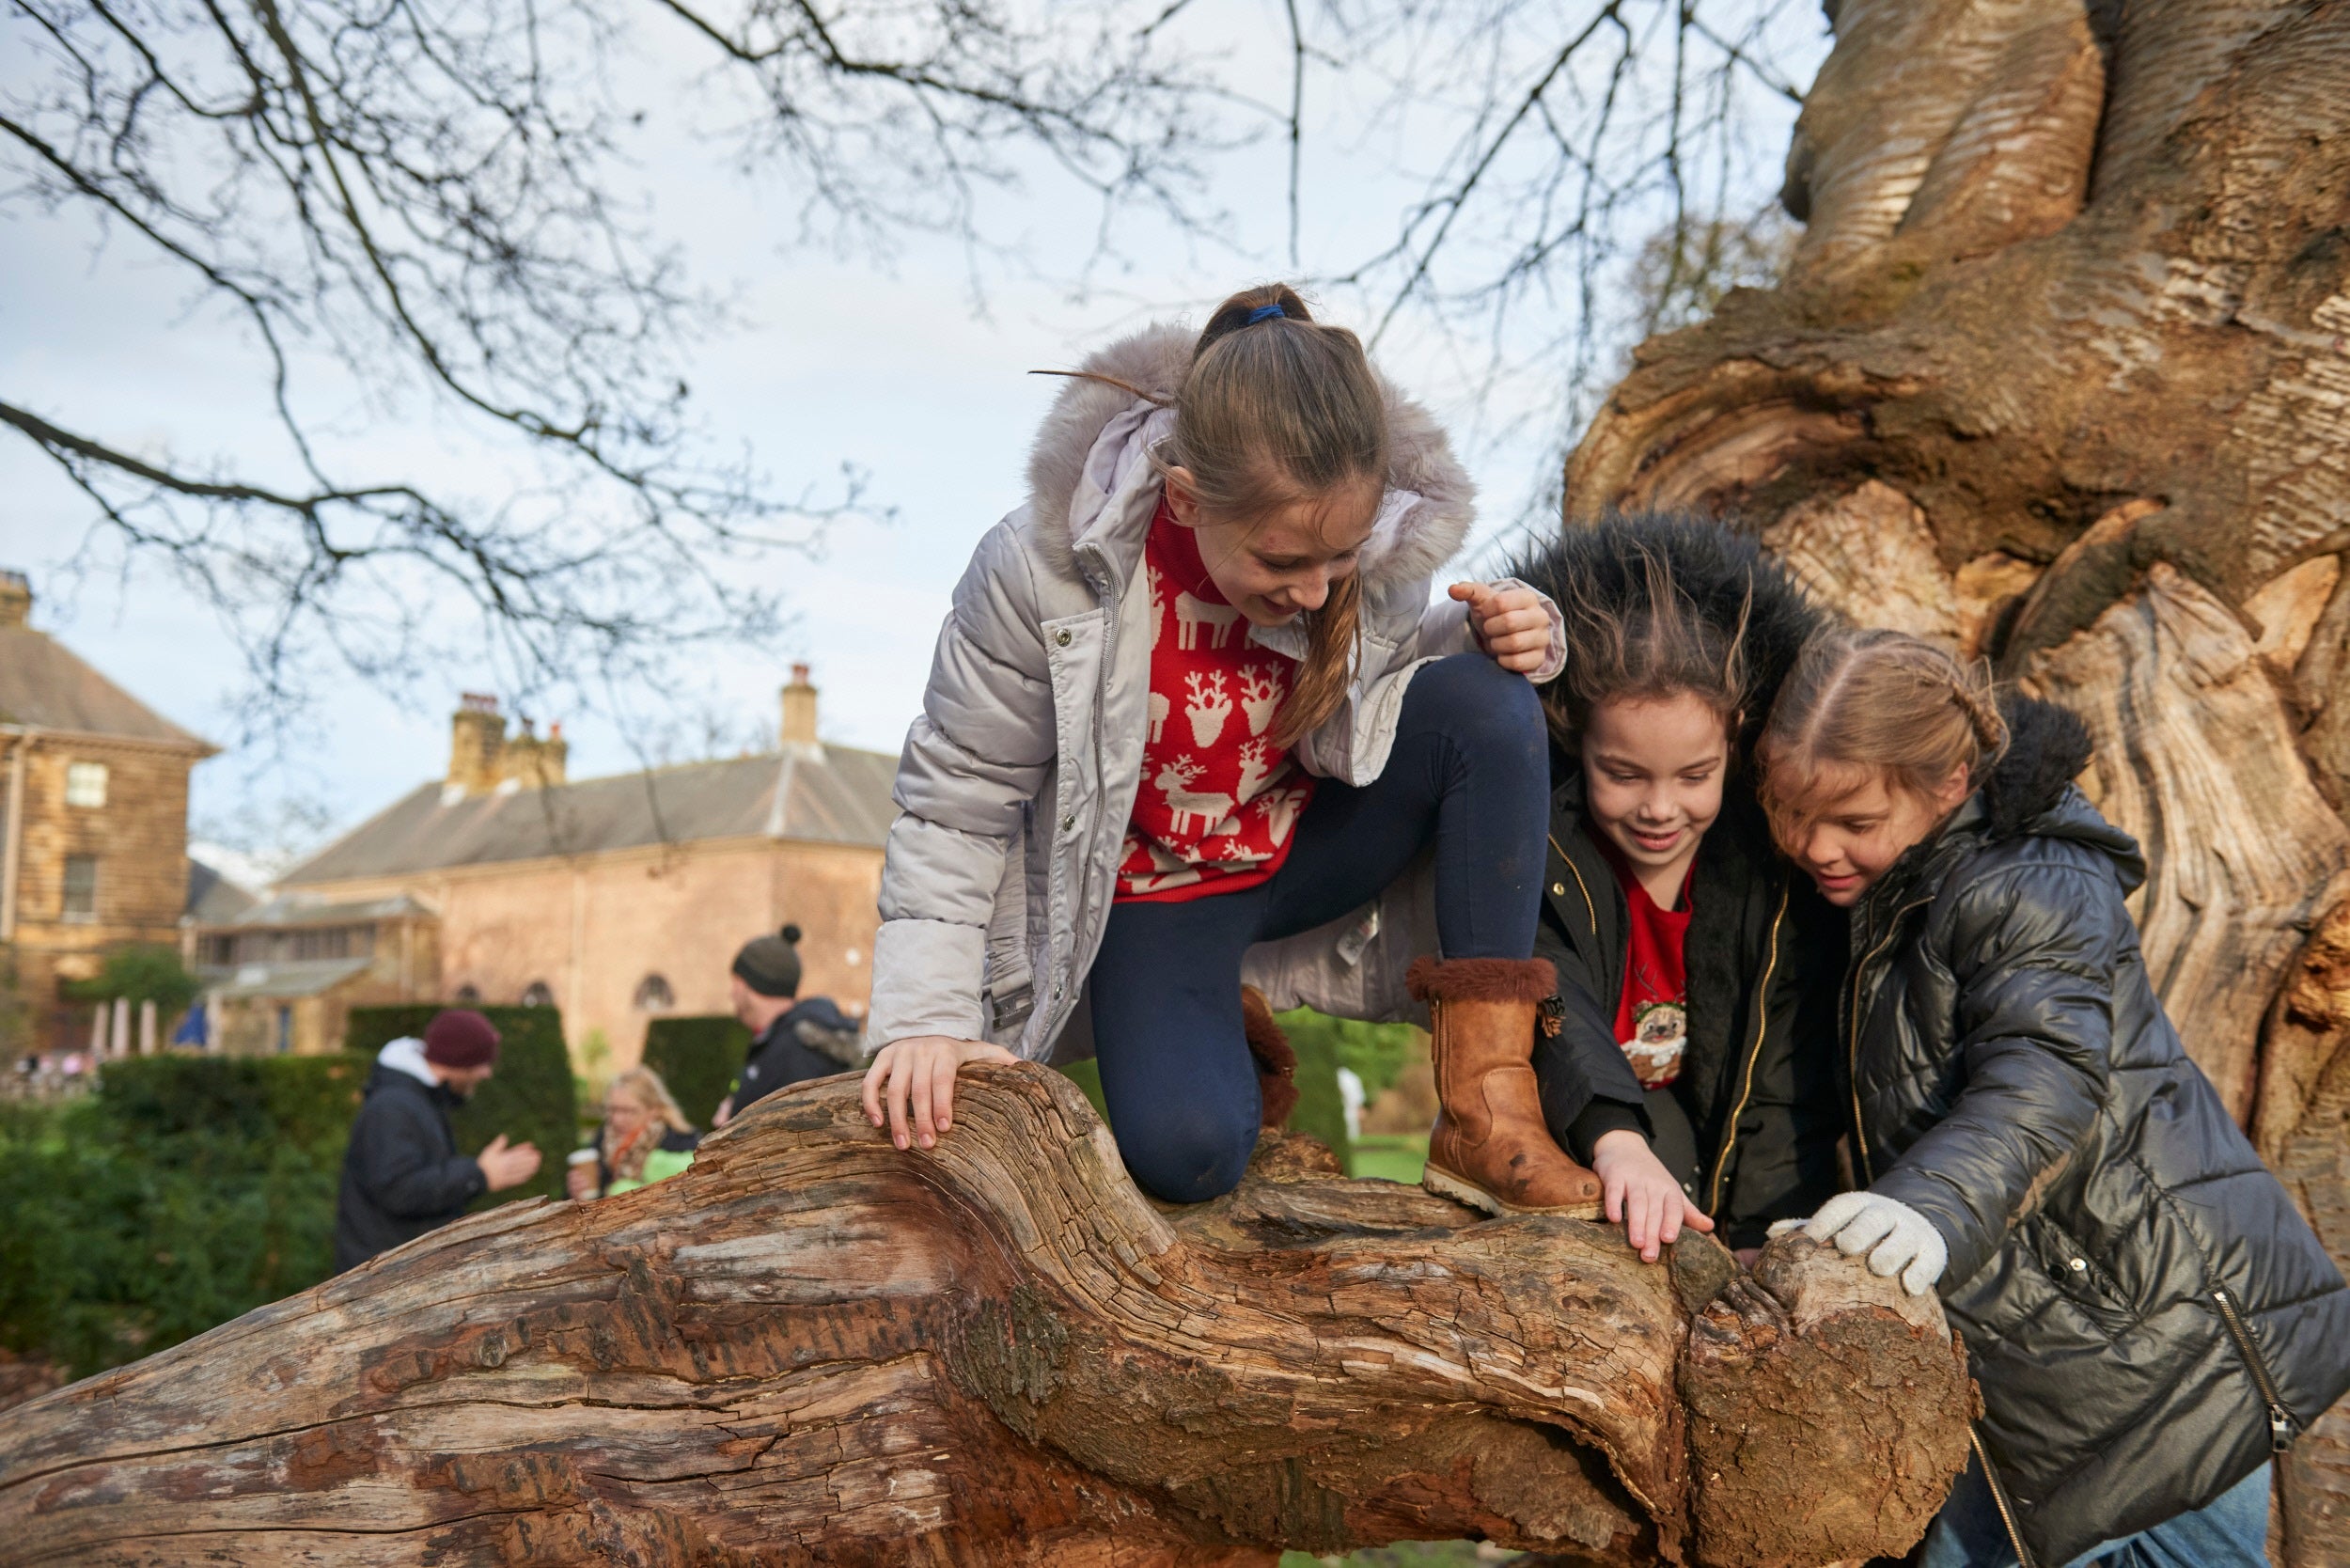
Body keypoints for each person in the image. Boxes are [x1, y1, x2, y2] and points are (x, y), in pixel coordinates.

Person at [861, 282, 1583, 1210]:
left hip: (1310, 843)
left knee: (1490, 704)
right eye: (1282, 562)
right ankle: (1203, 1014)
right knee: (1189, 1157)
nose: (1316, 591)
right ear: (1186, 498)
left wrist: (1503, 634)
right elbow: (957, 801)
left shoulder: (1363, 545)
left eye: (1340, 559)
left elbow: (1393, 679)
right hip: (1157, 897)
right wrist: (924, 1018)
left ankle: (1488, 1116)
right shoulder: (1038, 576)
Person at [1754, 627, 2350, 1568]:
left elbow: (2045, 1070)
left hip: (2160, 1348)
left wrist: (1928, 1207)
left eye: (1852, 821)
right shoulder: (1891, 886)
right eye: (1788, 811)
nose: (1814, 845)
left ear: (1949, 783)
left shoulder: (2029, 881)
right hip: (2041, 1354)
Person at [1505, 514, 1843, 1262]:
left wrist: (1764, 1235)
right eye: (1624, 775)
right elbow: (1552, 995)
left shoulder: (1770, 873)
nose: (1660, 808)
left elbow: (1781, 1074)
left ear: (1735, 743)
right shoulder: (1541, 850)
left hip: (1722, 1162)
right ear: (1577, 742)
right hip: (1583, 1140)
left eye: (1695, 777)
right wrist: (1616, 1138)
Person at [333, 1008, 542, 1272]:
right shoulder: (393, 1107)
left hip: (398, 1270)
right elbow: (398, 1190)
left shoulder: (418, 1100)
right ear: (460, 1060)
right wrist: (478, 1175)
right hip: (382, 1276)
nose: (486, 1073)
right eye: (482, 1062)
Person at [712, 924, 864, 1125]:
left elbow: (795, 1128)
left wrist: (732, 1125)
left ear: (750, 984)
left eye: (736, 981)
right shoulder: (780, 1040)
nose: (732, 993)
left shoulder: (795, 1048)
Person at [568, 1066, 698, 1199]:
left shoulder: (680, 1141)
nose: (617, 1119)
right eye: (613, 1110)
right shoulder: (603, 1139)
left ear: (654, 1110)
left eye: (628, 1111)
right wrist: (576, 1192)